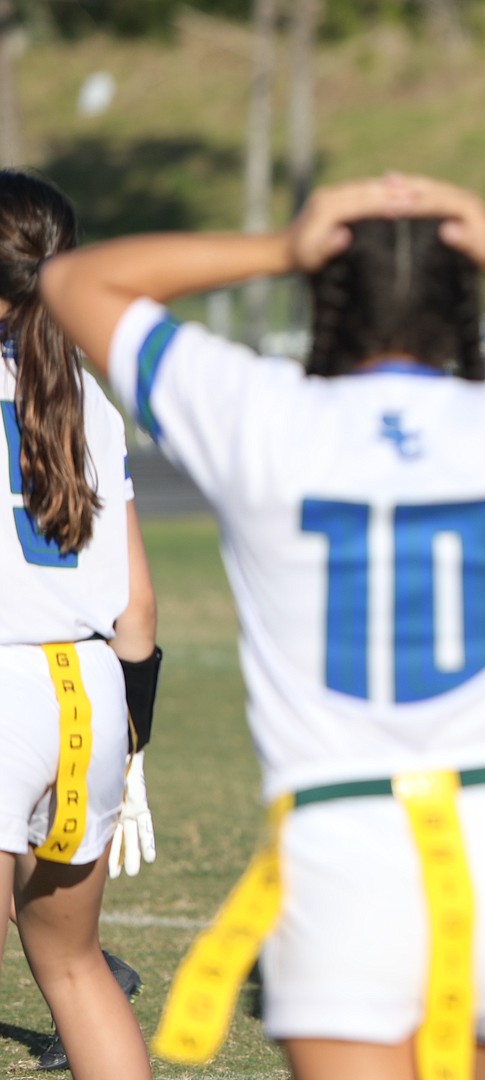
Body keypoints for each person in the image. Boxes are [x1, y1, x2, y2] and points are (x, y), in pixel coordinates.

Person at [42, 173, 485, 1080]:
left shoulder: (264, 416)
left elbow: (76, 284)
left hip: (342, 851)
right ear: (464, 298)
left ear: (324, 292)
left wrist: (281, 247)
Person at [0, 169, 155, 1080]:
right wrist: (135, 744)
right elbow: (137, 607)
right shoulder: (88, 394)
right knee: (73, 964)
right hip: (88, 700)